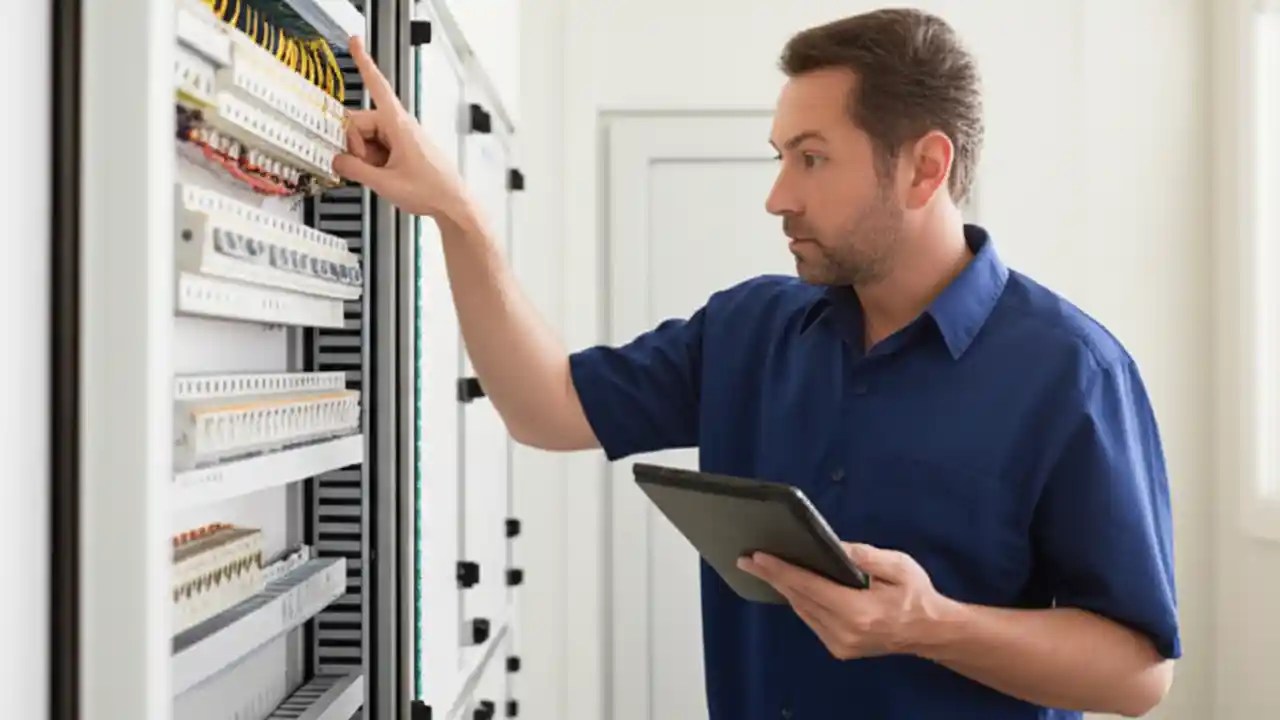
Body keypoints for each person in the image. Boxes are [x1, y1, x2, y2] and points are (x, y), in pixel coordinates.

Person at [334, 8, 1180, 719]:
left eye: (811, 158)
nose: (778, 196)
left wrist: (929, 624)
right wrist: (459, 215)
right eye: (780, 156)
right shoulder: (751, 328)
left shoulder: (1073, 371)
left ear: (925, 168)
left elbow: (1138, 673)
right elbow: (543, 406)